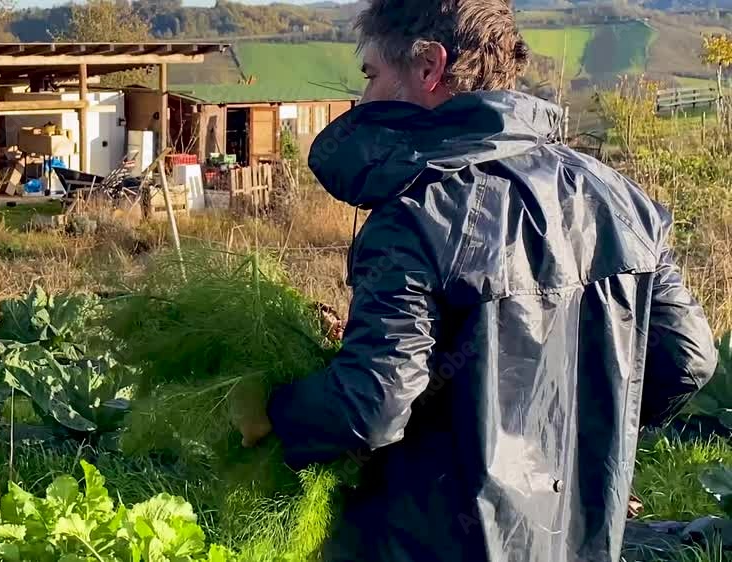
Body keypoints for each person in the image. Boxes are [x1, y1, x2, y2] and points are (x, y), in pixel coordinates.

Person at [233, 0, 719, 560]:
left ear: (428, 67)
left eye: (371, 74)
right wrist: (581, 443)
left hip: (432, 540)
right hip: (578, 536)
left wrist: (272, 412)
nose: (364, 96)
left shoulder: (418, 213)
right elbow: (689, 360)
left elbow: (371, 402)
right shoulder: (620, 199)